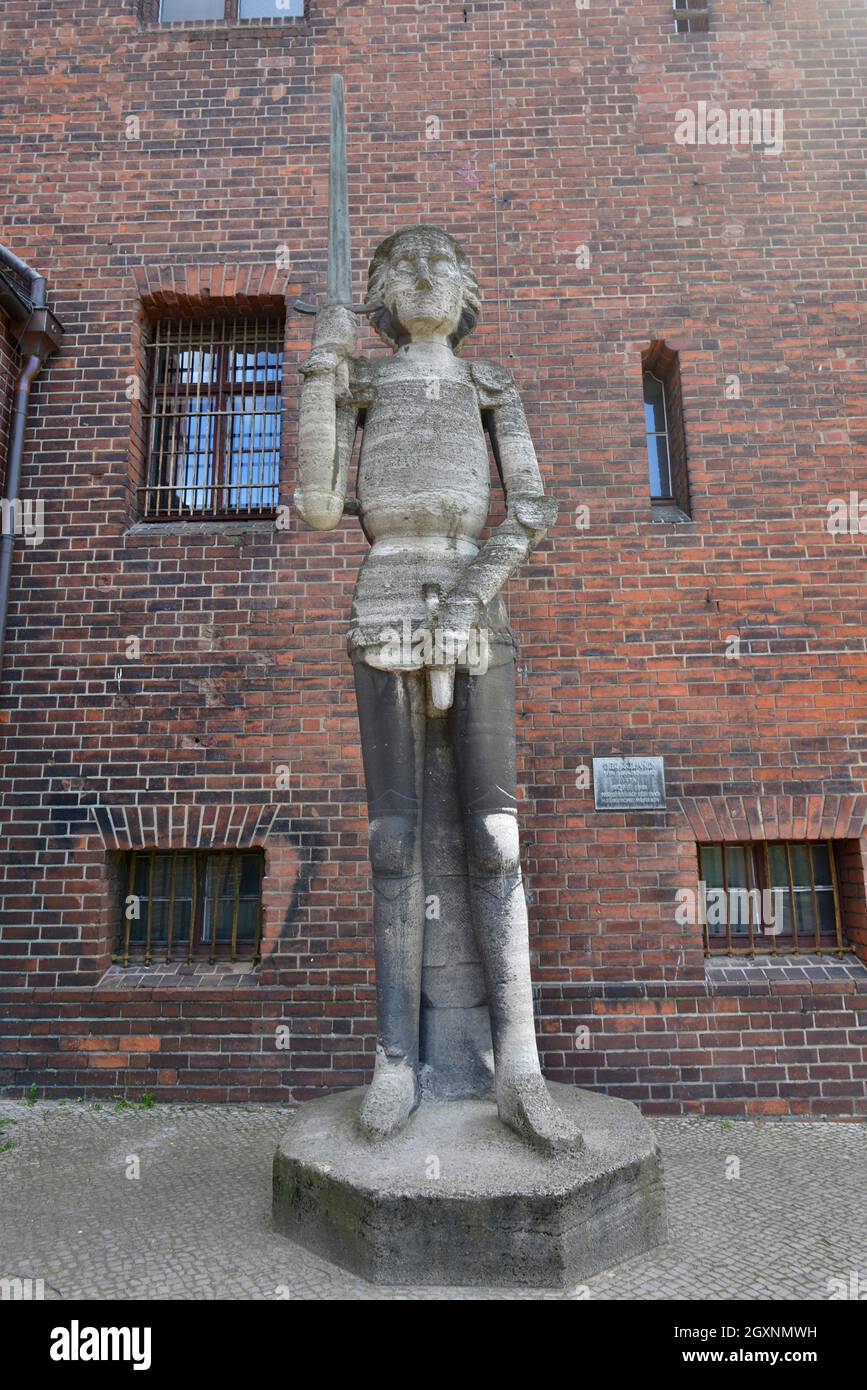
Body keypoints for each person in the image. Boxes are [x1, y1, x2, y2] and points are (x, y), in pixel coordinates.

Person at [295, 225, 581, 1153]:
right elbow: (314, 502)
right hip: (383, 595)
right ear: (377, 293)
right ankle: (393, 1063)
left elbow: (530, 507)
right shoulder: (364, 384)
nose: (422, 279)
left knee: (495, 838)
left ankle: (520, 1068)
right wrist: (320, 375)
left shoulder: (487, 382)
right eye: (401, 268)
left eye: (440, 265)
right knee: (391, 841)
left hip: (474, 602)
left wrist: (467, 599)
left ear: (466, 292)